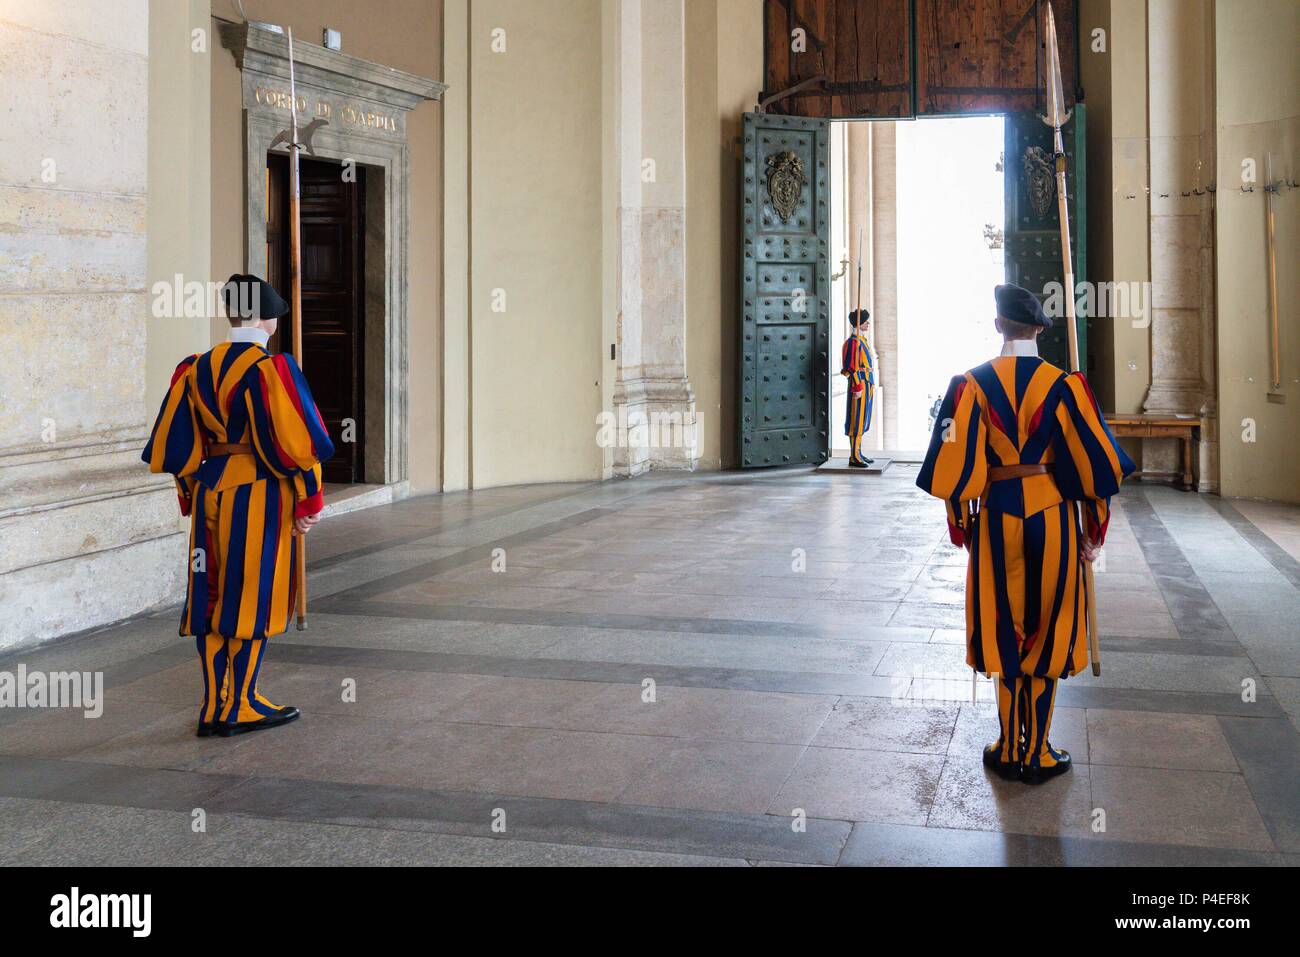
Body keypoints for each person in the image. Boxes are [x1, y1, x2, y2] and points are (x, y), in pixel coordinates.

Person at [916, 283, 1134, 784]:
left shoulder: (967, 385)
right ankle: (1036, 750)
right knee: (1049, 625)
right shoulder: (1068, 387)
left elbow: (952, 466)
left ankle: (1009, 745)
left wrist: (964, 525)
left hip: (996, 516)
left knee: (1003, 625)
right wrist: (1093, 531)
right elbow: (1096, 468)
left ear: (998, 326)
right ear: (1039, 328)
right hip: (1053, 515)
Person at [143, 274, 334, 737]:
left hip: (212, 487)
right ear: (265, 318)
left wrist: (191, 492)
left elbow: (177, 443)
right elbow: (298, 445)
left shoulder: (194, 367)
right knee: (253, 595)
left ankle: (213, 705)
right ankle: (242, 703)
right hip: (260, 493)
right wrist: (309, 500)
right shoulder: (272, 369)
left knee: (211, 597)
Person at [840, 308, 876, 467]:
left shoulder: (862, 341)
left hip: (867, 383)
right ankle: (854, 457)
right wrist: (857, 385)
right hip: (859, 384)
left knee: (863, 419)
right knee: (856, 420)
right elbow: (849, 367)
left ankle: (858, 452)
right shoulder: (852, 343)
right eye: (865, 321)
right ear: (858, 323)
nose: (868, 323)